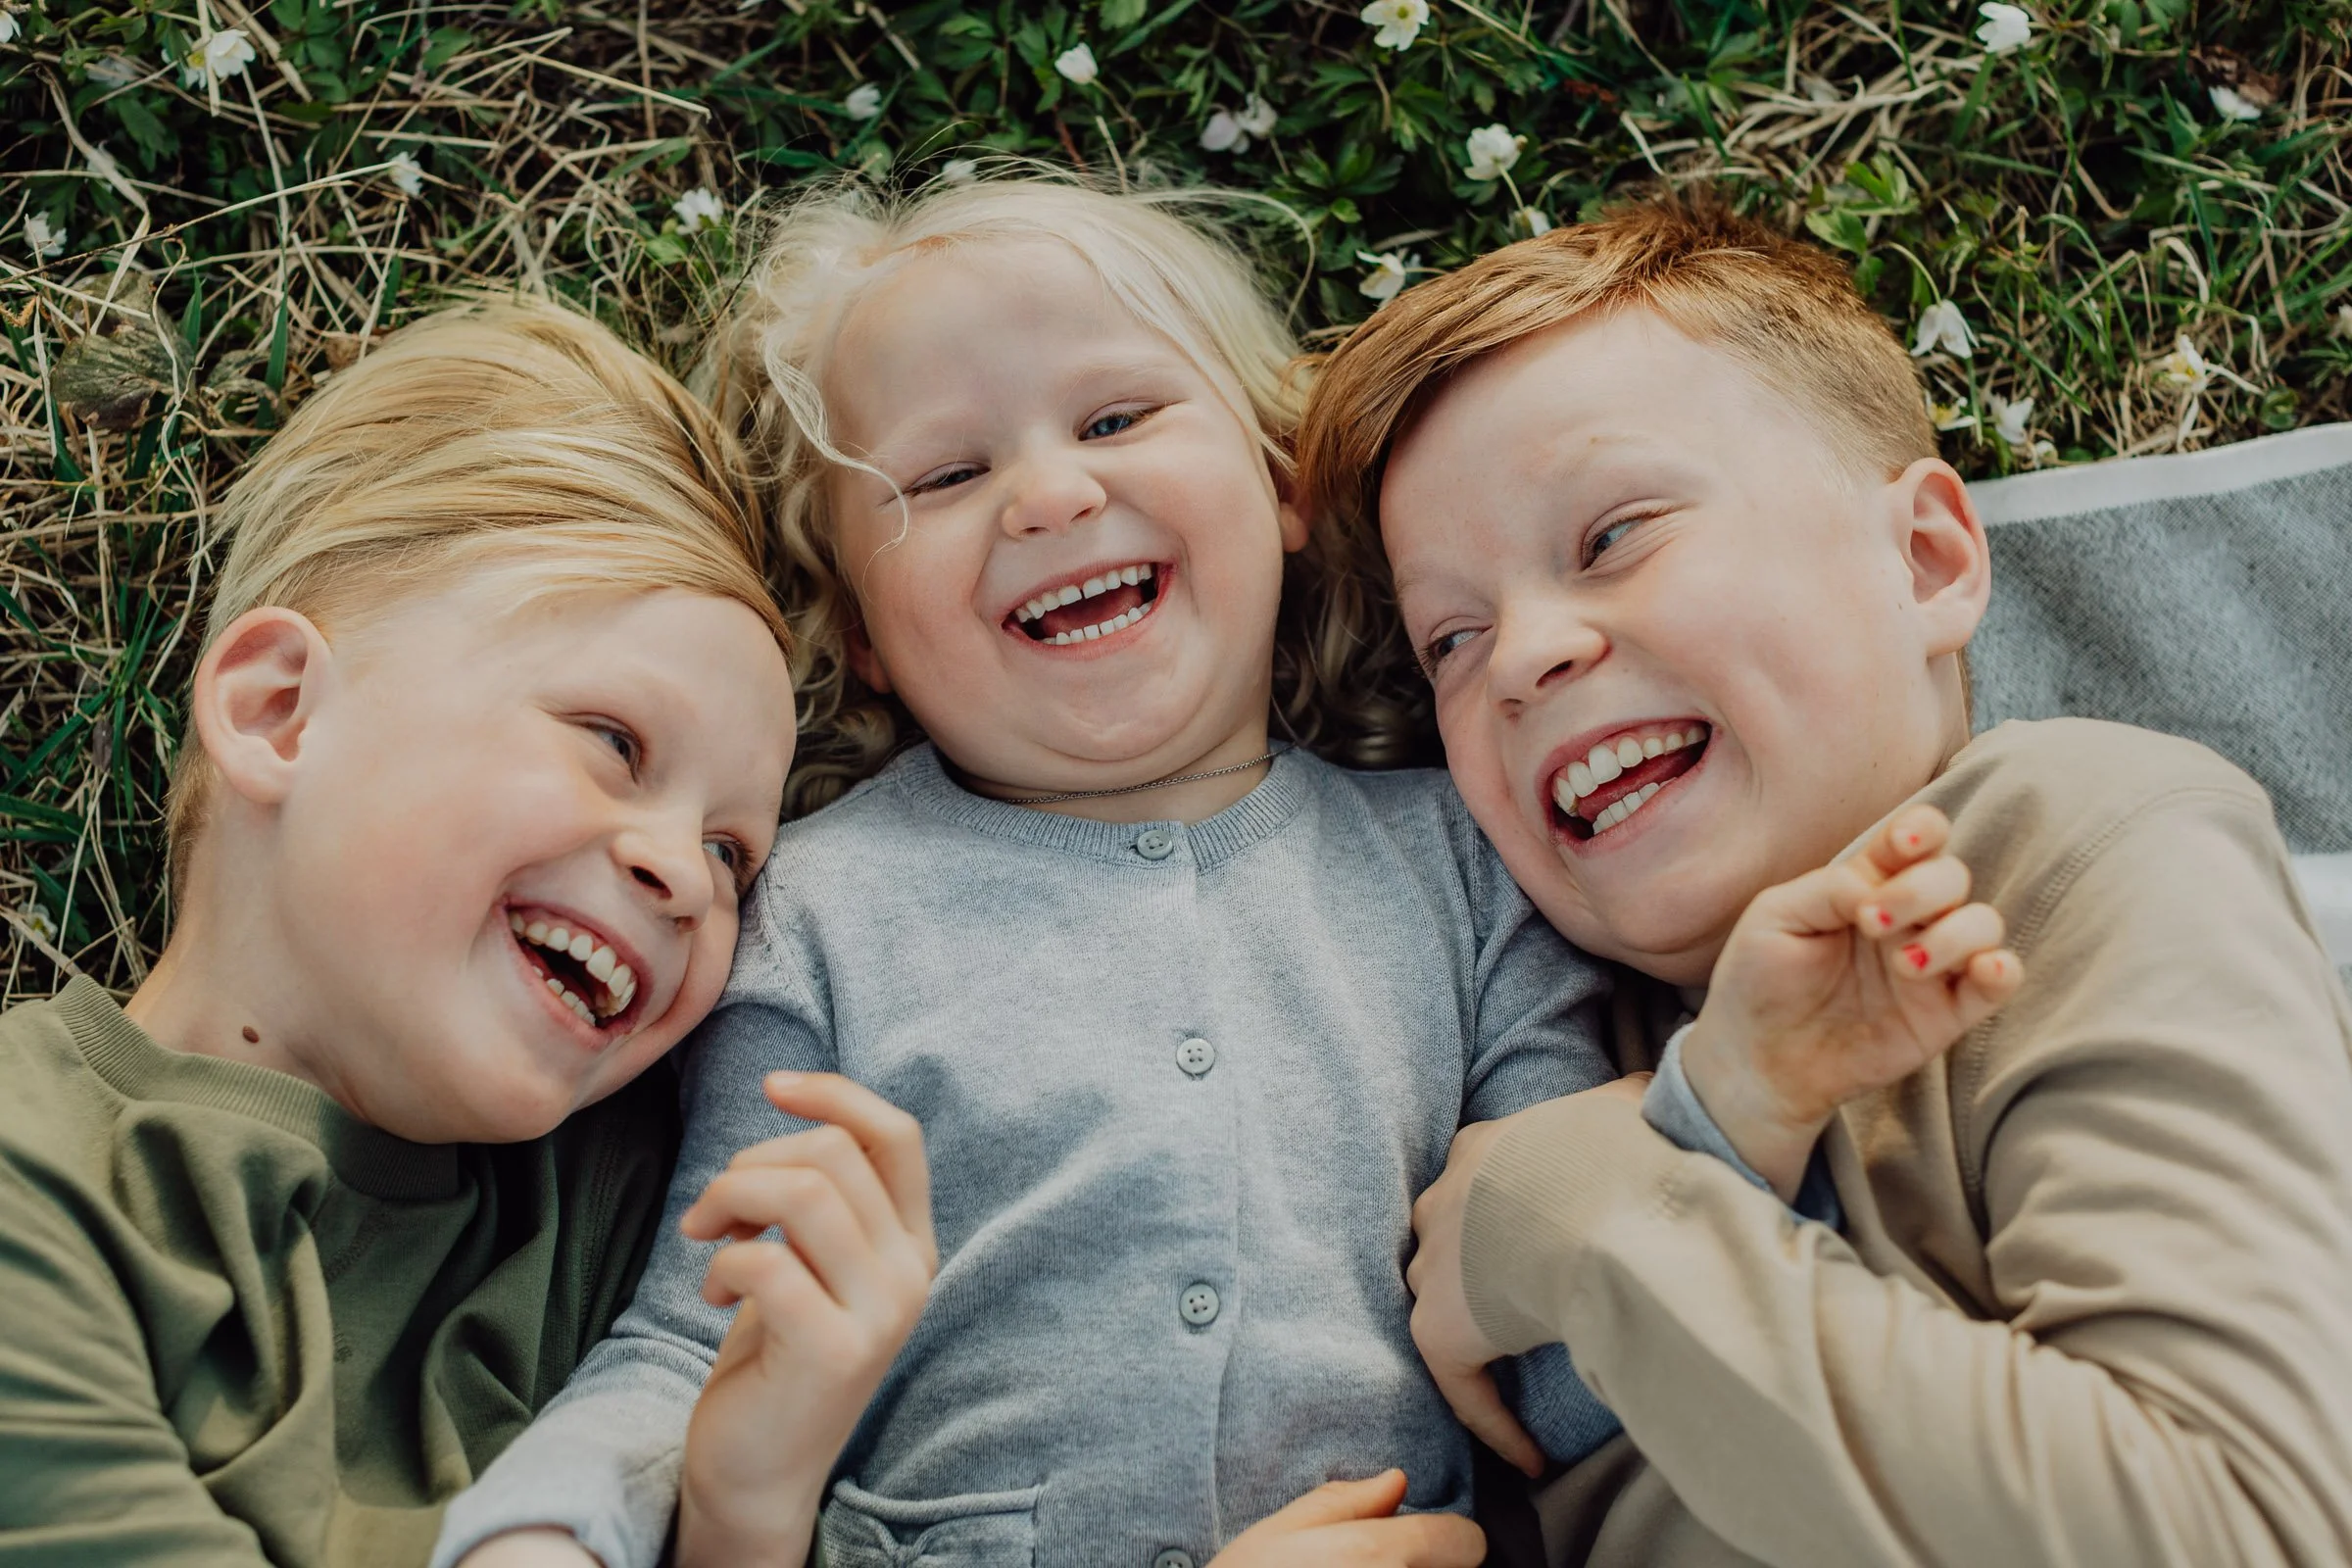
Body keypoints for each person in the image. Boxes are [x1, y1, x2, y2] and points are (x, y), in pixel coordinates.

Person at [432, 175, 2008, 1568]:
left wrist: (1734, 1111)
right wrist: (543, 1528)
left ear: (1278, 487)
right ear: (862, 640)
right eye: (944, 478)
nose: (1052, 493)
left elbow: (1556, 1367)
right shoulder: (820, 913)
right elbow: (691, 1345)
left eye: (1117, 420)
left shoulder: (1459, 864)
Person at [1296, 197, 2352, 1565]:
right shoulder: (1507, 1038)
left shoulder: (2048, 846)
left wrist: (1595, 1213)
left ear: (1926, 561)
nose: (1522, 657)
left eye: (1613, 536)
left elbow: (2243, 1529)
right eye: (1450, 636)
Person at [0, 302, 817, 1566]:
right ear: (281, 713)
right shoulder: (38, 1174)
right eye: (614, 740)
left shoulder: (635, 1214)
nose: (684, 877)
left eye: (733, 850)